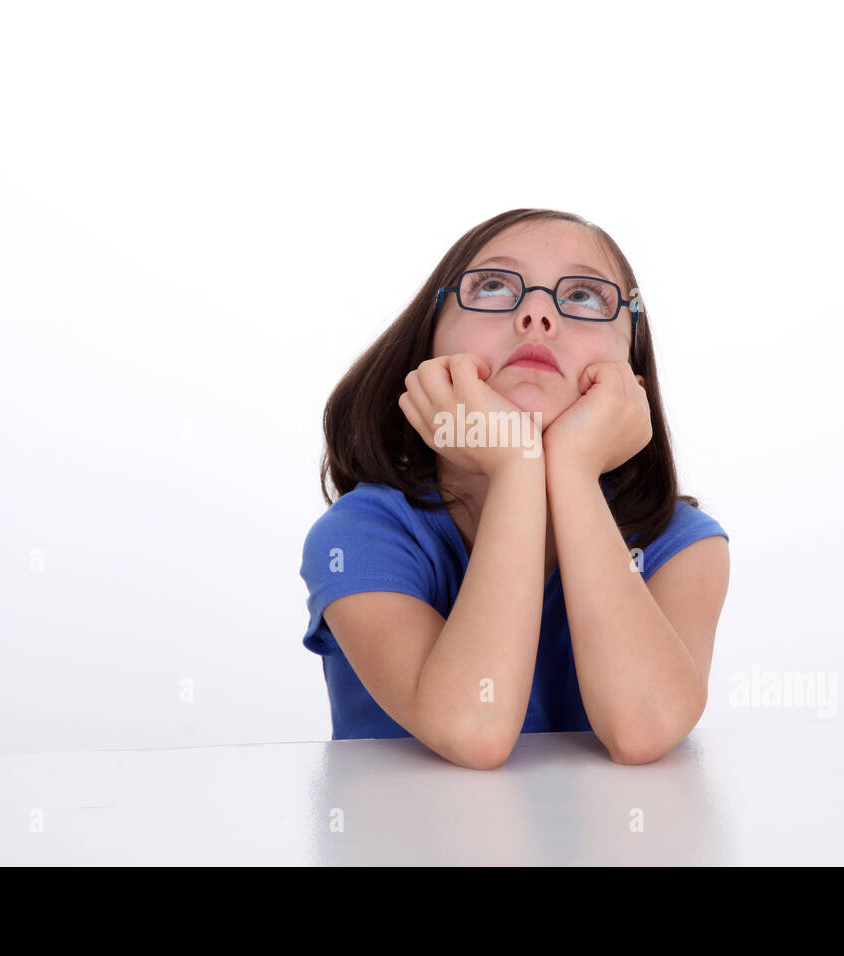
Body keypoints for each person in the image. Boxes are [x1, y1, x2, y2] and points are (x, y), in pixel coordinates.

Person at [299, 208, 730, 769]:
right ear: (427, 352)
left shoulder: (685, 548)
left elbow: (643, 728)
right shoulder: (358, 537)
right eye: (496, 286)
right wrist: (518, 465)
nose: (536, 314)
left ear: (633, 384)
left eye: (582, 297)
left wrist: (569, 469)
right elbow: (471, 729)